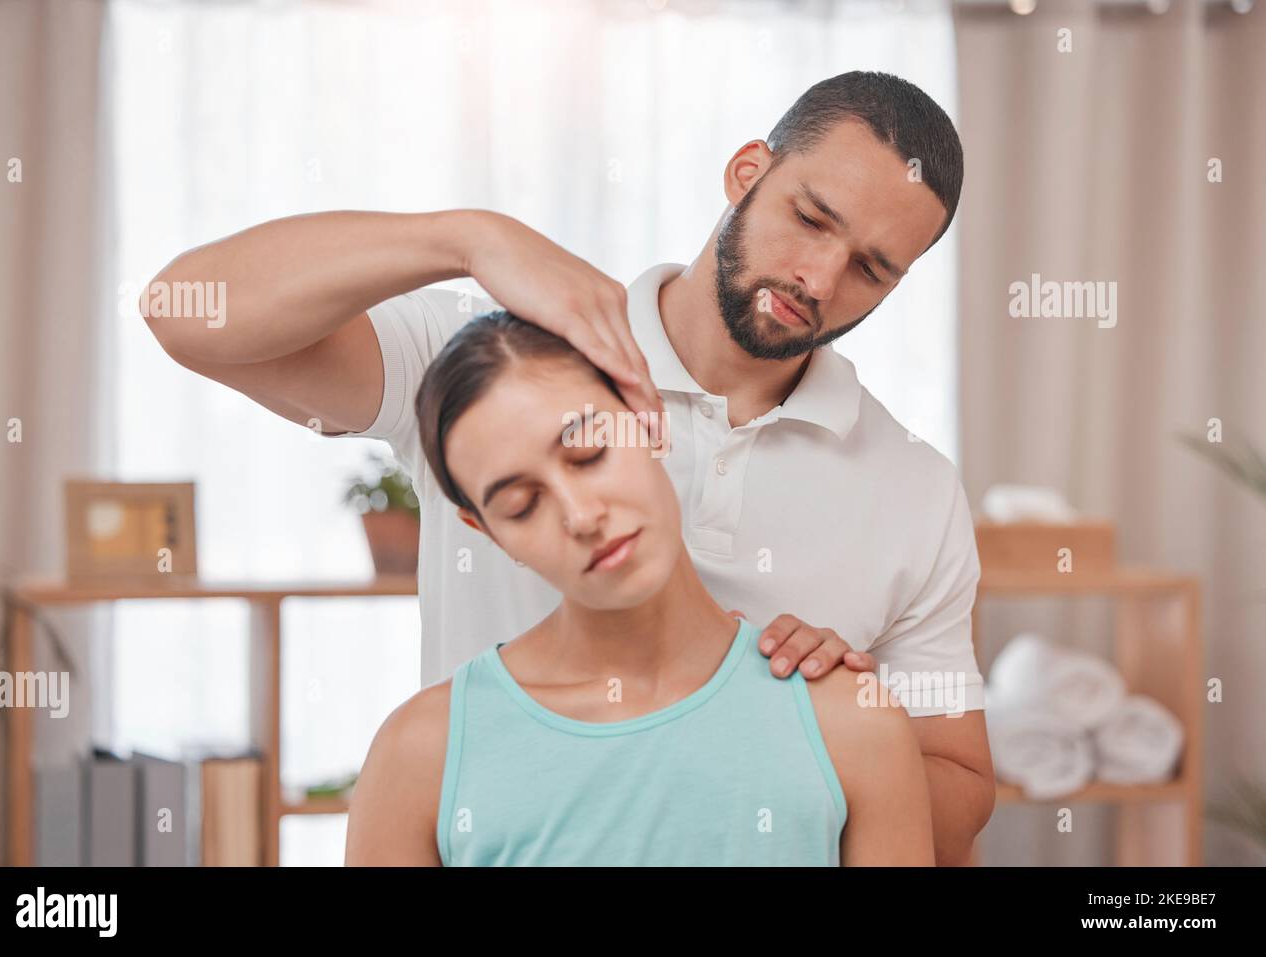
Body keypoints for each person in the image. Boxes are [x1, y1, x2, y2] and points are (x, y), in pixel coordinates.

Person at [144, 71, 995, 864]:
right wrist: (469, 238)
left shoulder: (914, 491)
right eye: (811, 218)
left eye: (871, 269)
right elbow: (187, 314)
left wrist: (824, 729)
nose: (819, 276)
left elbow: (957, 784)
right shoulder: (496, 369)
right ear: (746, 171)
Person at [344, 310, 934, 865]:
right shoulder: (422, 753)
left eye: (588, 454)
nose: (581, 515)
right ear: (488, 533)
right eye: (522, 506)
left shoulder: (850, 723)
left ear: (647, 417)